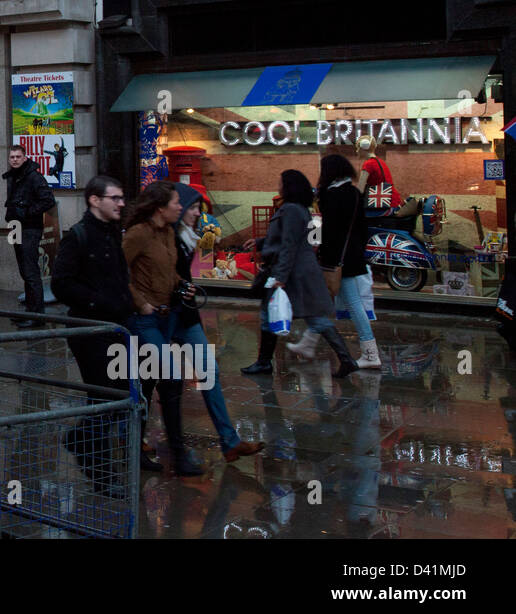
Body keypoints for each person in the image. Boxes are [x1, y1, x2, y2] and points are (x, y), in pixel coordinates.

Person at [51, 175, 134, 494]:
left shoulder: (113, 233)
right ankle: (101, 475)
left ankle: (77, 439)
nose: (121, 203)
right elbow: (61, 283)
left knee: (119, 394)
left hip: (116, 328)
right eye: (114, 198)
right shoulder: (79, 236)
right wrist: (99, 301)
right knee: (105, 397)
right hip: (89, 330)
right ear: (94, 200)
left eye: (122, 197)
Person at [172, 183, 264, 462]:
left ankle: (229, 441)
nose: (197, 213)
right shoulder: (162, 237)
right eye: (192, 207)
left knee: (209, 372)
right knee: (158, 383)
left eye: (198, 207)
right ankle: (154, 444)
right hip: (161, 317)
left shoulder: (188, 237)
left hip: (186, 316)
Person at [242, 170, 359, 378]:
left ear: (289, 186)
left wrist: (280, 277)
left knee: (273, 316)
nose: (278, 185)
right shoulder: (298, 209)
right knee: (315, 319)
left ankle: (264, 363)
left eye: (281, 182)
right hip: (301, 272)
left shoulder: (291, 210)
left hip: (292, 273)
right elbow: (286, 238)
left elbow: (289, 244)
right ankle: (346, 360)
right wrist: (260, 242)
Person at [123, 181, 204, 476]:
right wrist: (140, 302)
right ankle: (178, 456)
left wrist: (182, 285)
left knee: (147, 383)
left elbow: (169, 272)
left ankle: (133, 448)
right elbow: (120, 273)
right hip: (144, 319)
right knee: (170, 379)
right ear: (160, 208)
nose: (181, 207)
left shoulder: (168, 232)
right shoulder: (138, 234)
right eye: (175, 203)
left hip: (166, 316)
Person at [312, 153, 380, 368]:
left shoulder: (330, 195)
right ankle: (307, 341)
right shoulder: (354, 193)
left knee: (348, 302)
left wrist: (319, 249)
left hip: (336, 259)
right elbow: (363, 228)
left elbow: (326, 230)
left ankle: (371, 354)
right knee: (329, 301)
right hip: (351, 256)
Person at [3, 144, 56, 329]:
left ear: (25, 158)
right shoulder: (13, 177)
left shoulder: (34, 176)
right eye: (12, 157)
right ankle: (30, 311)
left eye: (18, 156)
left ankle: (37, 315)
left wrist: (28, 212)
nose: (15, 159)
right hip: (16, 227)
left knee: (31, 270)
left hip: (30, 228)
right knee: (24, 270)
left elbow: (48, 200)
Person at [358, 135, 401, 211]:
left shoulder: (368, 164)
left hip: (384, 206)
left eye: (358, 148)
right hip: (394, 202)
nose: (357, 151)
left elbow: (359, 190)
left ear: (363, 148)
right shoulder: (381, 162)